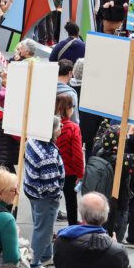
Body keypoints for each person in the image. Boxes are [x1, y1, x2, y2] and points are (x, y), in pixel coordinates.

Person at [24, 116, 64, 268]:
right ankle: (33, 264)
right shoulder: (48, 154)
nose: (62, 127)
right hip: (45, 198)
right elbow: (51, 183)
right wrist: (56, 196)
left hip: (32, 191)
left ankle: (47, 255)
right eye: (59, 126)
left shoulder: (32, 140)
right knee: (41, 230)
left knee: (44, 226)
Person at [55, 95, 83, 225]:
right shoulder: (73, 128)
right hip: (68, 172)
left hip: (51, 170)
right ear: (67, 108)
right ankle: (72, 227)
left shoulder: (50, 125)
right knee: (71, 201)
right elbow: (77, 154)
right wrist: (80, 174)